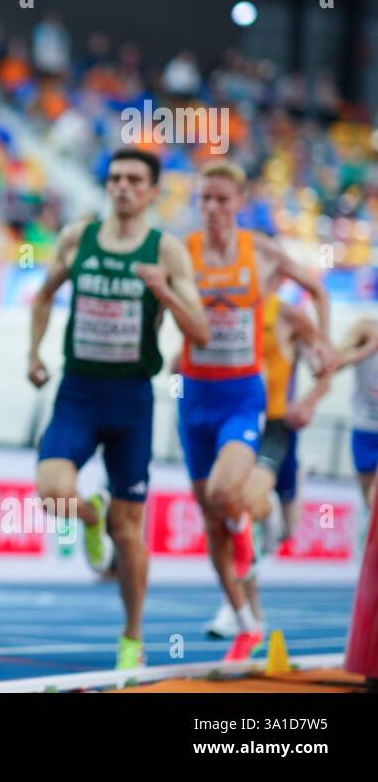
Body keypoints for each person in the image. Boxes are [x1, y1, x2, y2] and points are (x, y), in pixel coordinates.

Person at [28, 148, 210, 670]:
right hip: (78, 391)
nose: (122, 187)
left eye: (134, 180)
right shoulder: (76, 238)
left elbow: (199, 331)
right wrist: (32, 353)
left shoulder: (167, 252)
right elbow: (42, 297)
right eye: (114, 179)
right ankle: (89, 517)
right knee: (52, 491)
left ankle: (132, 635)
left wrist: (164, 292)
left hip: (132, 399)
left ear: (153, 191)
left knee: (129, 532)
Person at [177, 161, 333, 663]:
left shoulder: (261, 256)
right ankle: (243, 614)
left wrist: (324, 350)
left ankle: (260, 524)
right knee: (213, 514)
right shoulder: (183, 251)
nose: (213, 209)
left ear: (239, 202)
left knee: (231, 498)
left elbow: (316, 288)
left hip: (258, 407)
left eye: (223, 199)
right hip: (195, 398)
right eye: (205, 200)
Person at [205, 276, 329, 638]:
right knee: (238, 512)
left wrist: (307, 401)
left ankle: (291, 486)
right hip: (243, 426)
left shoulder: (289, 316)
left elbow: (325, 367)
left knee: (283, 533)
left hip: (279, 426)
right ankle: (240, 607)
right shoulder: (223, 311)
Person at [332, 316, 378, 509]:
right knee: (370, 503)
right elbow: (332, 364)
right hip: (364, 431)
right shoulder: (366, 328)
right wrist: (364, 351)